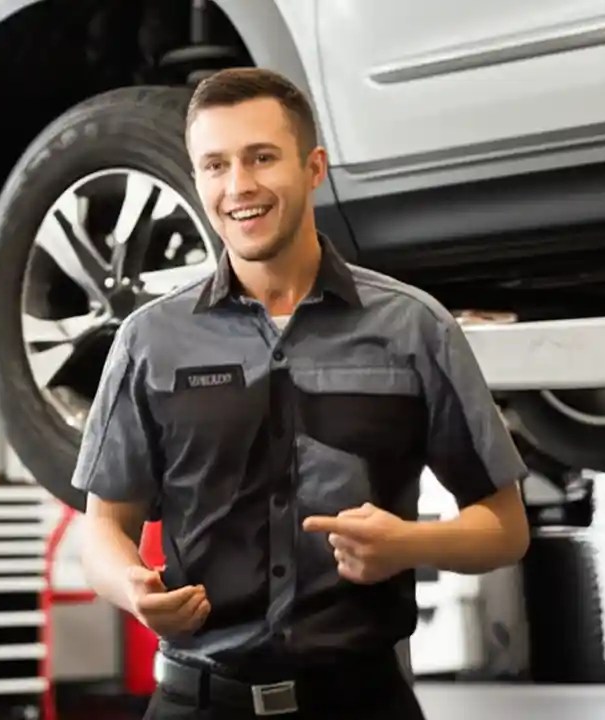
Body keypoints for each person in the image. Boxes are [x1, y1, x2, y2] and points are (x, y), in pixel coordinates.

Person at [73, 67, 531, 719]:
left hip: (361, 702)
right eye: (215, 165)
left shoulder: (411, 327)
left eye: (261, 158)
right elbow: (102, 530)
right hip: (197, 701)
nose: (239, 187)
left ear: (314, 167)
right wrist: (131, 587)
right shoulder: (150, 340)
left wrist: (409, 543)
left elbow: (505, 526)